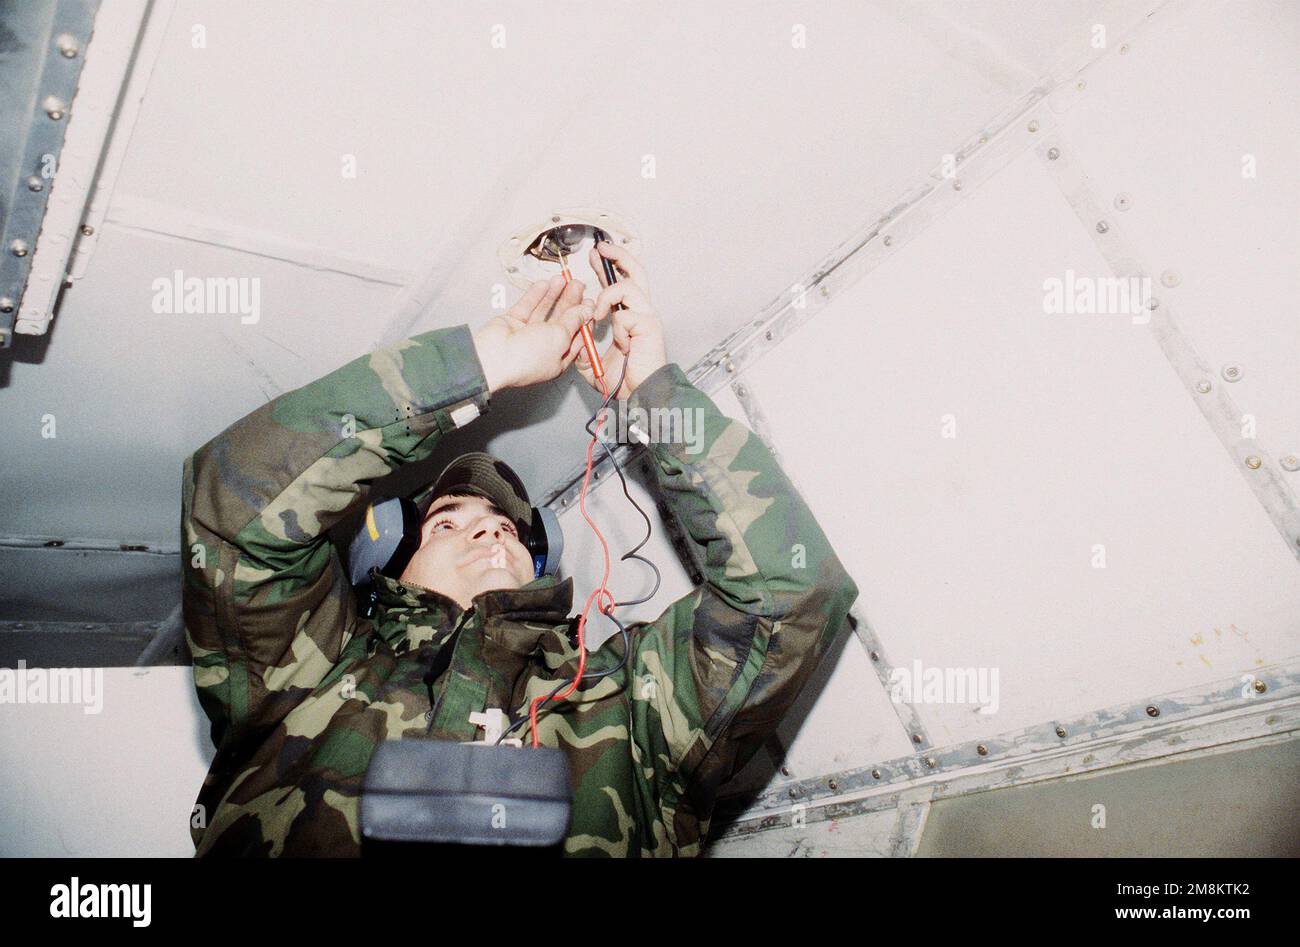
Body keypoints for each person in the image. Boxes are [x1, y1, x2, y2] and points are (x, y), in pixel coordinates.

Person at [181, 240, 860, 856]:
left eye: (505, 523)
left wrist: (656, 398)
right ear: (386, 564)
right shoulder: (305, 670)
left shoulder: (624, 705)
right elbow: (235, 506)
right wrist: (479, 364)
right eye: (447, 520)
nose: (490, 527)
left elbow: (792, 594)